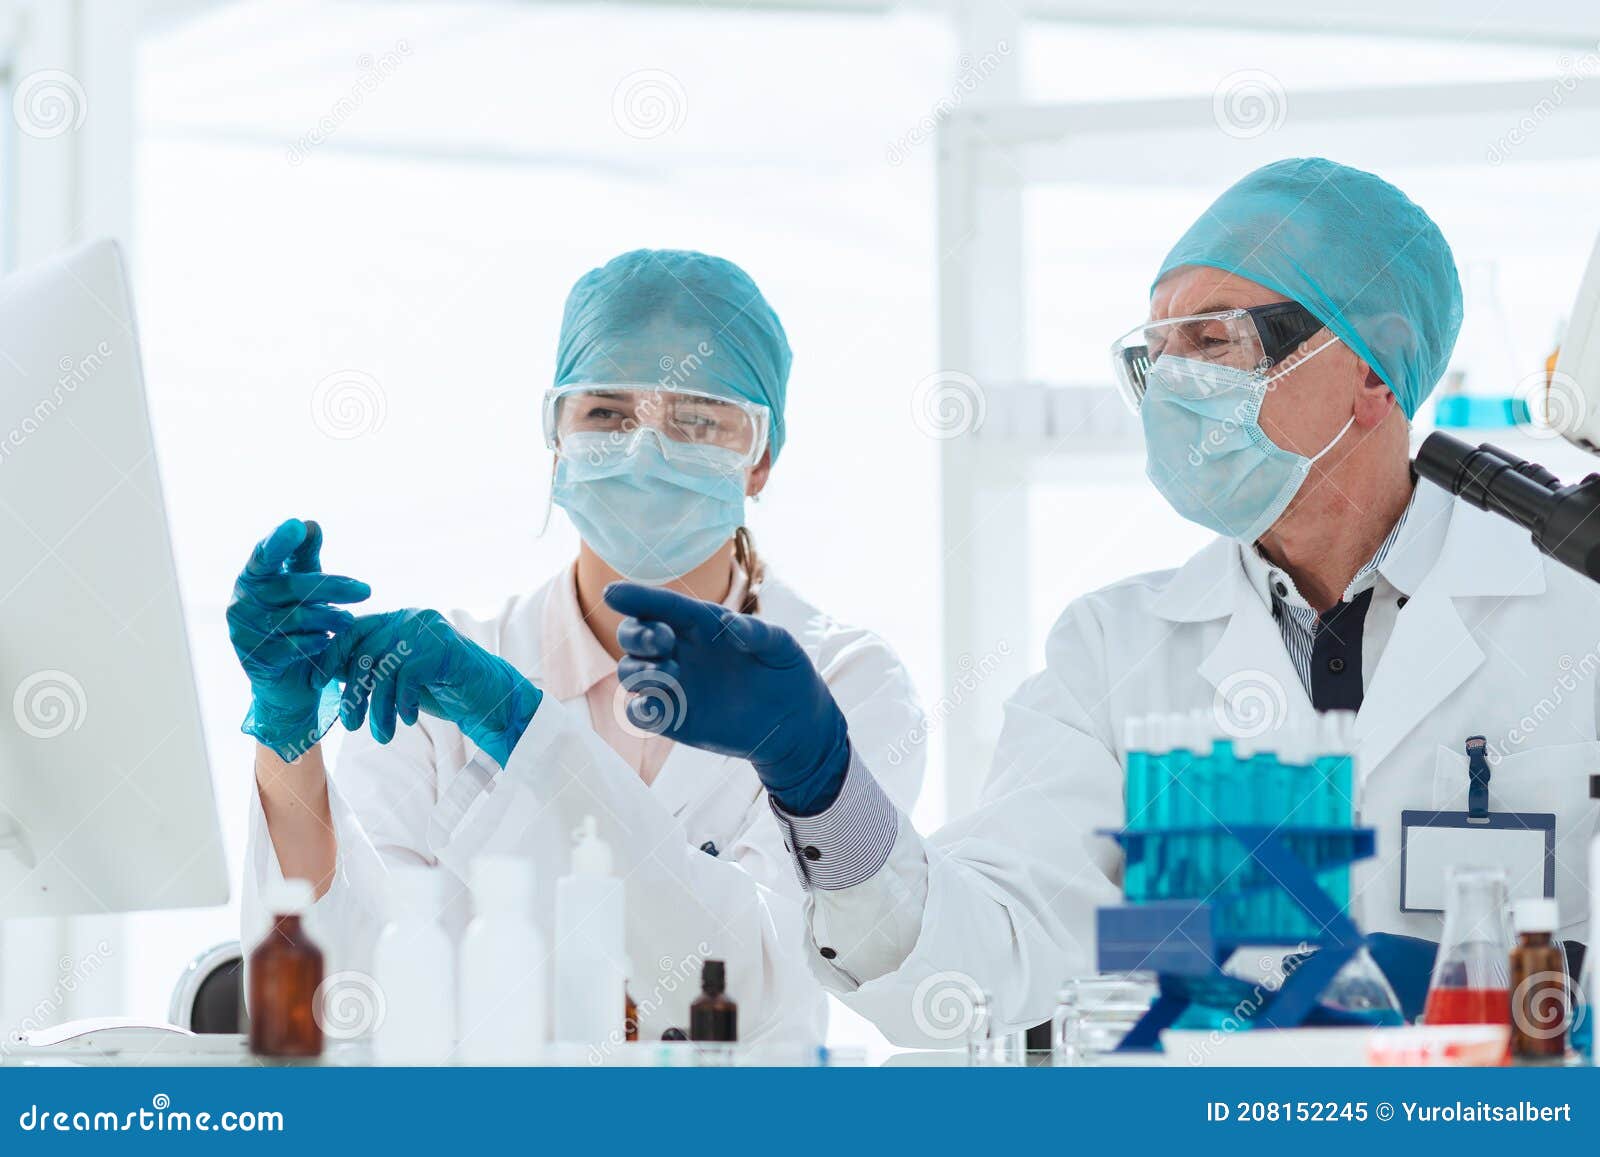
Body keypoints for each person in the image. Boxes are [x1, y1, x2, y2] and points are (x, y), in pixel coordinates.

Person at [604, 159, 1600, 1042]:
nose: (1172, 382)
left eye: (1213, 342)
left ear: (1371, 371)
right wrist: (821, 778)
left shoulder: (1574, 615)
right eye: (1155, 352)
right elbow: (970, 969)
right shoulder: (1115, 653)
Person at [228, 249, 924, 1046]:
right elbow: (346, 995)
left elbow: (750, 987)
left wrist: (526, 733)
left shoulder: (844, 685)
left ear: (760, 457)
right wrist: (288, 743)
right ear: (554, 434)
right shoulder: (433, 682)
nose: (645, 448)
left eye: (697, 417)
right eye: (606, 412)